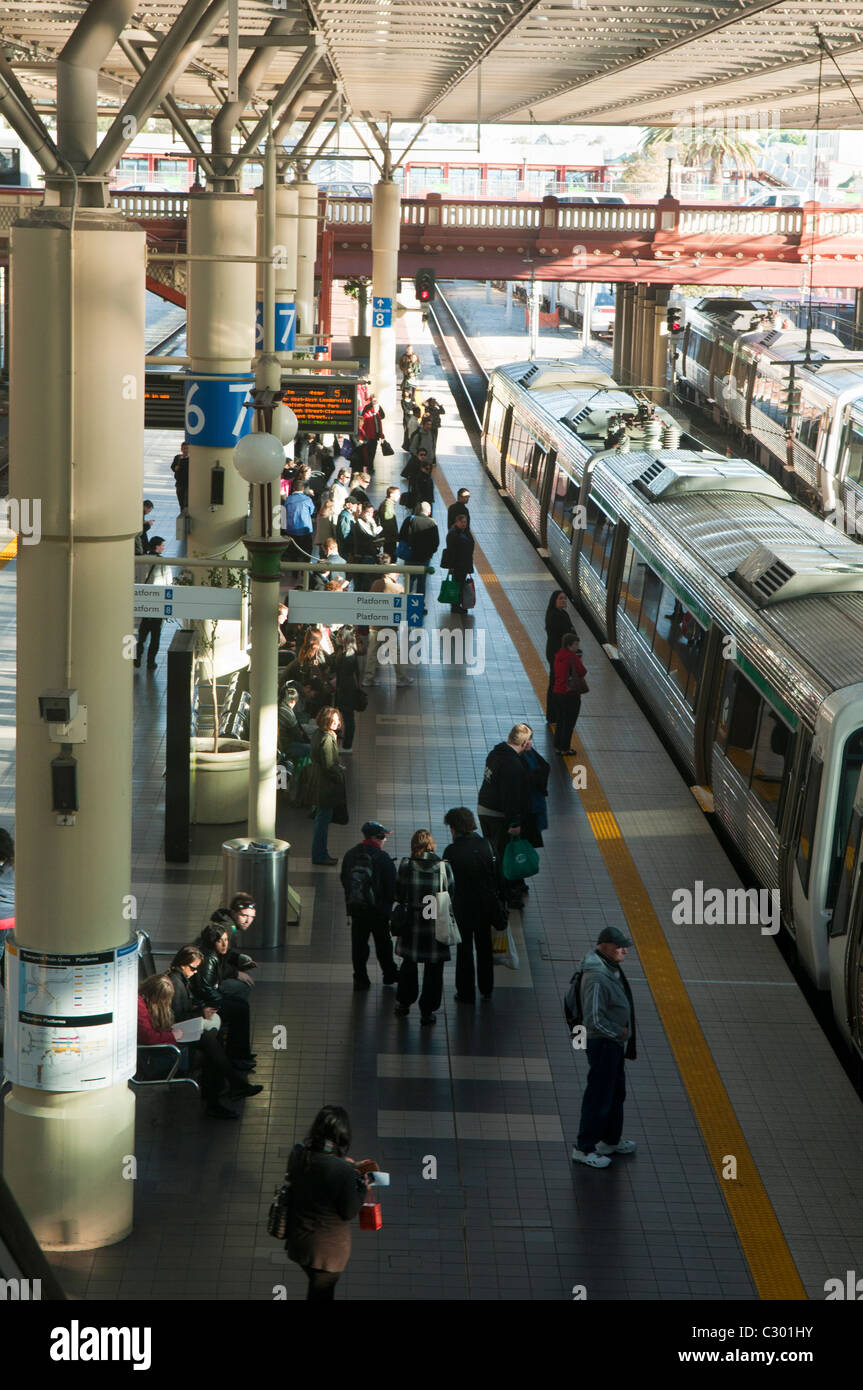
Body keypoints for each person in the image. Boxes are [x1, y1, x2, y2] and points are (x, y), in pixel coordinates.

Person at [138, 970, 262, 1120]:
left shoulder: (143, 1003)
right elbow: (149, 1038)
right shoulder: (139, 1009)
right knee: (210, 1050)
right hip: (161, 1056)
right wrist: (172, 1035)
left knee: (210, 1045)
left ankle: (226, 1091)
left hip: (166, 1048)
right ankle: (225, 1092)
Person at [284, 1105, 378, 1301]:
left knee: (316, 1290)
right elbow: (349, 1211)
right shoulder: (342, 1171)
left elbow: (318, 1167)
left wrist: (343, 1163)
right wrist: (362, 1185)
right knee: (321, 1294)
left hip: (299, 1240)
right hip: (327, 1252)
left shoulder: (299, 1154)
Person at [572, 926, 638, 1169]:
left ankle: (610, 1139)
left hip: (612, 1044)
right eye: (620, 946)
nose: (625, 951)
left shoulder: (610, 968)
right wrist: (619, 1033)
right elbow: (594, 1019)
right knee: (598, 1095)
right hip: (603, 1043)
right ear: (605, 946)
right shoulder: (597, 976)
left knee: (615, 1092)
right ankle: (584, 1148)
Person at [442, 807, 504, 1004]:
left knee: (464, 950)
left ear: (455, 828)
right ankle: (486, 987)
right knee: (484, 947)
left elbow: (445, 885)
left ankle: (465, 992)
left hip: (462, 908)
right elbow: (499, 877)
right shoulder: (487, 845)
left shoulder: (451, 851)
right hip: (485, 906)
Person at [392, 829, 454, 1026]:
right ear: (431, 845)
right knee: (434, 971)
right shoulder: (444, 867)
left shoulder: (406, 865)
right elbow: (451, 892)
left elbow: (399, 894)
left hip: (412, 925)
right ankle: (427, 1011)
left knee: (409, 966)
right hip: (437, 925)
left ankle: (404, 1003)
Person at [477, 723, 534, 909]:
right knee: (504, 855)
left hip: (484, 808)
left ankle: (498, 887)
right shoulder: (512, 765)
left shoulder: (496, 753)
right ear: (525, 742)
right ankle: (507, 894)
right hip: (498, 815)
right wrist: (515, 822)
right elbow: (510, 797)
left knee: (493, 851)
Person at [340, 821, 400, 990]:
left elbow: (345, 879)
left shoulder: (351, 854)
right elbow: (391, 886)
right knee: (383, 943)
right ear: (374, 838)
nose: (384, 840)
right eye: (382, 837)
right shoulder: (383, 858)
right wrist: (388, 905)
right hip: (379, 910)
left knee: (359, 944)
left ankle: (360, 977)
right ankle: (389, 974)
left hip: (357, 908)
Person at [190, 922, 256, 1068]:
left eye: (226, 940)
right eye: (220, 941)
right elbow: (206, 988)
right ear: (213, 942)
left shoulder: (214, 955)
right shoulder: (209, 959)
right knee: (240, 1009)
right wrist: (221, 999)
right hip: (208, 1003)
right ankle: (238, 1055)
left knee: (241, 1006)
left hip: (211, 999)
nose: (224, 944)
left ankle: (240, 1053)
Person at [308, 706, 345, 866]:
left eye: (338, 720)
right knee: (323, 821)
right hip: (326, 786)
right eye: (334, 720)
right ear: (326, 721)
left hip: (317, 781)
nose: (337, 723)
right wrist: (340, 774)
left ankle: (320, 854)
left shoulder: (318, 734)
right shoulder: (327, 739)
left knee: (321, 819)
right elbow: (329, 765)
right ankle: (320, 855)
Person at [364, 568, 413, 687]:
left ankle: (368, 678)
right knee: (395, 652)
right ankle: (402, 678)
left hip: (375, 623)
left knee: (372, 652)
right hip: (389, 625)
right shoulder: (398, 588)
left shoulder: (376, 583)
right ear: (394, 574)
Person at [134, 539, 172, 670]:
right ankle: (151, 662)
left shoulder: (140, 560)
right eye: (162, 545)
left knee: (142, 633)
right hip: (157, 604)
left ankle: (137, 657)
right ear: (157, 547)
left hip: (143, 601)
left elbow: (135, 578)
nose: (163, 548)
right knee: (155, 636)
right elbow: (169, 583)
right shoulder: (163, 562)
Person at [552, 632, 587, 755]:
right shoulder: (572, 657)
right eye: (576, 644)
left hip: (557, 692)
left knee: (561, 720)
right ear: (569, 645)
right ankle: (565, 748)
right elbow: (582, 672)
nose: (577, 647)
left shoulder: (558, 656)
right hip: (570, 694)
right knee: (569, 722)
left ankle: (557, 746)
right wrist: (579, 660)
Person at [544, 590, 577, 722]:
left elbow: (570, 632)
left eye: (565, 599)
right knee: (555, 683)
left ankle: (555, 714)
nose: (564, 601)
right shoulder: (554, 616)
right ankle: (553, 715)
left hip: (560, 653)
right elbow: (566, 633)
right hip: (556, 654)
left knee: (557, 682)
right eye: (560, 599)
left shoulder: (562, 614)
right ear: (554, 601)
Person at [398, 501, 439, 604]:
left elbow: (401, 536)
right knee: (421, 582)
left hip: (410, 556)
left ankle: (406, 603)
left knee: (409, 580)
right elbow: (435, 543)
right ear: (429, 512)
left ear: (417, 510)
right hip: (424, 558)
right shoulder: (431, 523)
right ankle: (420, 605)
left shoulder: (409, 520)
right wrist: (429, 553)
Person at [332, 626, 363, 752]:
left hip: (346, 690)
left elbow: (343, 675)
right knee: (347, 717)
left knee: (348, 718)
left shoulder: (347, 656)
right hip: (347, 688)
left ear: (345, 638)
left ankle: (347, 746)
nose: (337, 638)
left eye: (340, 635)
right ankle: (346, 744)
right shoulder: (348, 651)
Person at [441, 512, 474, 614]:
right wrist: (451, 566)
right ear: (457, 522)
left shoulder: (464, 532)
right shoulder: (453, 534)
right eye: (462, 522)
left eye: (465, 522)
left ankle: (458, 604)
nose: (464, 524)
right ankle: (455, 606)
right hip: (458, 565)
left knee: (459, 584)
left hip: (463, 564)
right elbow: (452, 551)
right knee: (457, 585)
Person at [279, 682, 312, 762]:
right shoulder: (288, 713)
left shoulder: (279, 706)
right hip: (284, 746)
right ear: (293, 701)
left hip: (279, 743)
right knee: (311, 749)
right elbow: (297, 734)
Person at [281, 484, 315, 559]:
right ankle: (305, 569)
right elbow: (311, 512)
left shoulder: (288, 499)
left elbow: (284, 514)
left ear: (293, 488)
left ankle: (295, 570)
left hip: (291, 530)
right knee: (306, 552)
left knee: (293, 553)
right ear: (303, 489)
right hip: (305, 530)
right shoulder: (307, 499)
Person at [358, 395, 385, 474]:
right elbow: (363, 427)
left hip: (375, 436)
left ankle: (370, 466)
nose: (378, 409)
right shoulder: (367, 415)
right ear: (373, 407)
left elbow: (379, 425)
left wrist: (381, 435)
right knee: (369, 452)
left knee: (373, 452)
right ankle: (369, 466)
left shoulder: (377, 415)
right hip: (368, 437)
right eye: (377, 408)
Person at [377, 486, 401, 557]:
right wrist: (396, 536)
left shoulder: (388, 504)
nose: (399, 496)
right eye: (397, 494)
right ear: (391, 494)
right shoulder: (388, 506)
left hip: (388, 538)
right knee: (390, 557)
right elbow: (389, 524)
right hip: (390, 539)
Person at [170, 441, 189, 511]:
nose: (185, 450)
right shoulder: (177, 457)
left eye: (187, 448)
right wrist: (175, 468)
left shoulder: (192, 459)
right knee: (181, 502)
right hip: (179, 483)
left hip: (188, 484)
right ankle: (182, 514)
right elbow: (172, 467)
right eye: (184, 448)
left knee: (187, 502)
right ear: (181, 449)